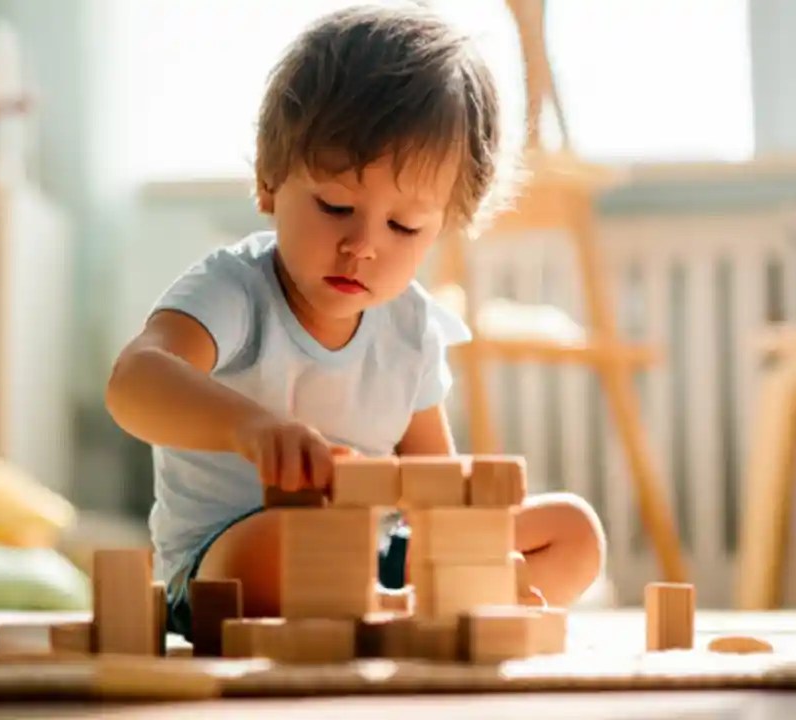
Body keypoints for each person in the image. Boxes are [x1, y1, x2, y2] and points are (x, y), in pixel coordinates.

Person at [106, 3, 604, 639]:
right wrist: (249, 428)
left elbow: (431, 486)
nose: (364, 245)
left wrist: (469, 540)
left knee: (572, 531)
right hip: (229, 560)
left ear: (443, 229)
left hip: (372, 553)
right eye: (336, 206)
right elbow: (132, 383)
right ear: (270, 181)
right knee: (289, 544)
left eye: (404, 226)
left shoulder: (412, 328)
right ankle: (417, 615)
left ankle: (420, 608)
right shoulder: (235, 292)